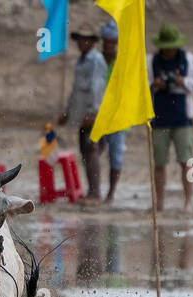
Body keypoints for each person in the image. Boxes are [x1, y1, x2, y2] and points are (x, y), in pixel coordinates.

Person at [148, 23, 193, 213]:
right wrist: (154, 85)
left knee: (188, 161)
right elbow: (143, 88)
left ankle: (188, 201)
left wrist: (183, 82)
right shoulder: (152, 61)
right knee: (159, 163)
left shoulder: (188, 59)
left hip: (183, 118)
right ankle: (159, 203)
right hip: (159, 119)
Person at [57, 23, 107, 204]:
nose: (81, 43)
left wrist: (92, 112)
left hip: (92, 114)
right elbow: (76, 90)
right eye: (79, 39)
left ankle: (96, 193)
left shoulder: (96, 60)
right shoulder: (82, 60)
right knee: (85, 150)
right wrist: (68, 112)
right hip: (82, 113)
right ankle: (91, 191)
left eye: (85, 39)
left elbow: (96, 87)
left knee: (92, 150)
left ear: (92, 41)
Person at [99, 19, 127, 205]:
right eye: (107, 42)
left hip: (117, 116)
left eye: (113, 42)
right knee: (93, 152)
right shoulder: (97, 60)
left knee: (115, 156)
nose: (110, 45)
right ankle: (94, 190)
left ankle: (111, 192)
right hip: (98, 114)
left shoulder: (123, 63)